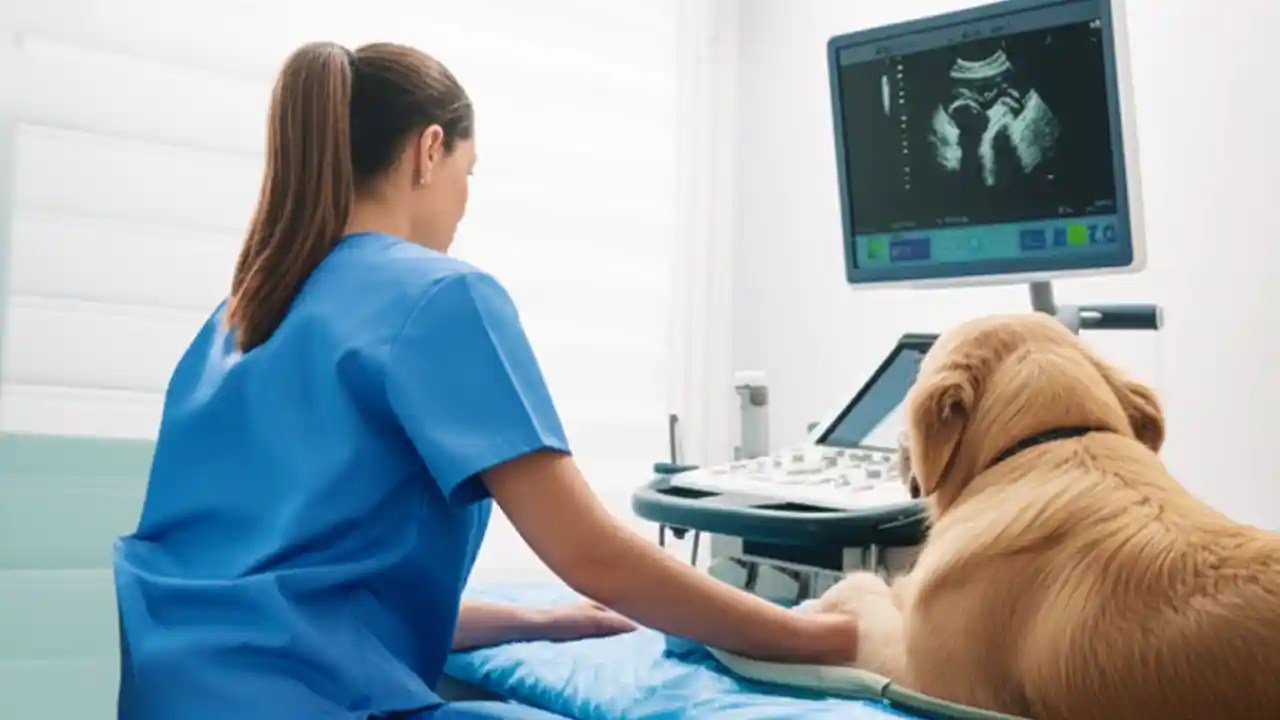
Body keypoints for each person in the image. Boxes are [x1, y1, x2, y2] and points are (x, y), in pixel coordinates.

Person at [112, 41, 859, 720]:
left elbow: (299, 589)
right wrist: (808, 635)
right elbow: (591, 554)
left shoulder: (235, 320)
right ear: (428, 152)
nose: (463, 207)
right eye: (468, 175)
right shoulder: (436, 297)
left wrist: (532, 619)